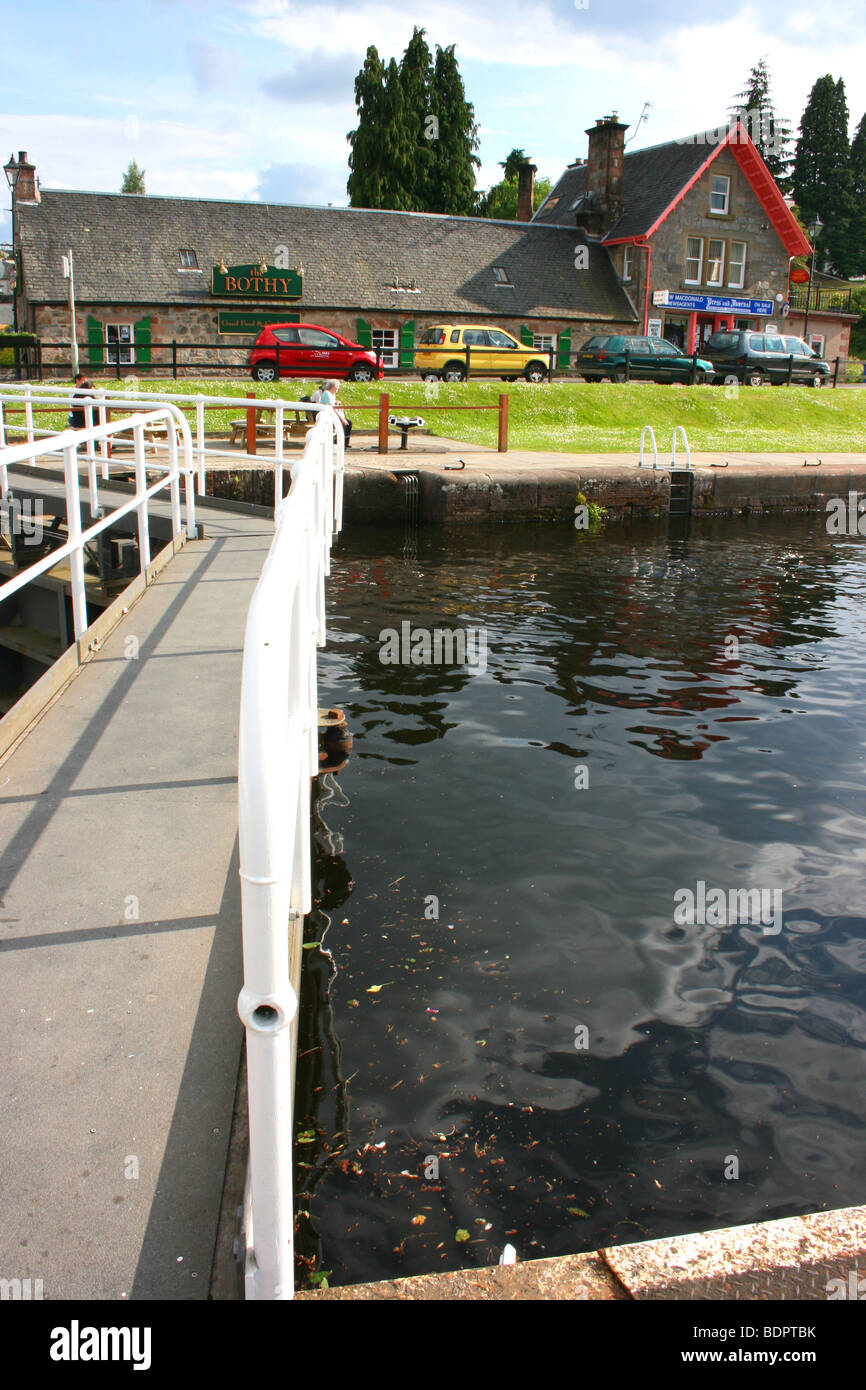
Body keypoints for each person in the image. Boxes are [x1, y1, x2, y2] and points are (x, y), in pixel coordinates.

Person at [318, 379, 353, 448]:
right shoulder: (327, 394)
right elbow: (332, 408)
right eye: (338, 386)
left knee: (349, 423)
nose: (338, 388)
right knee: (345, 423)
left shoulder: (332, 394)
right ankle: (341, 443)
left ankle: (344, 443)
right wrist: (342, 419)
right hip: (328, 417)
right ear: (333, 386)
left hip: (332, 416)